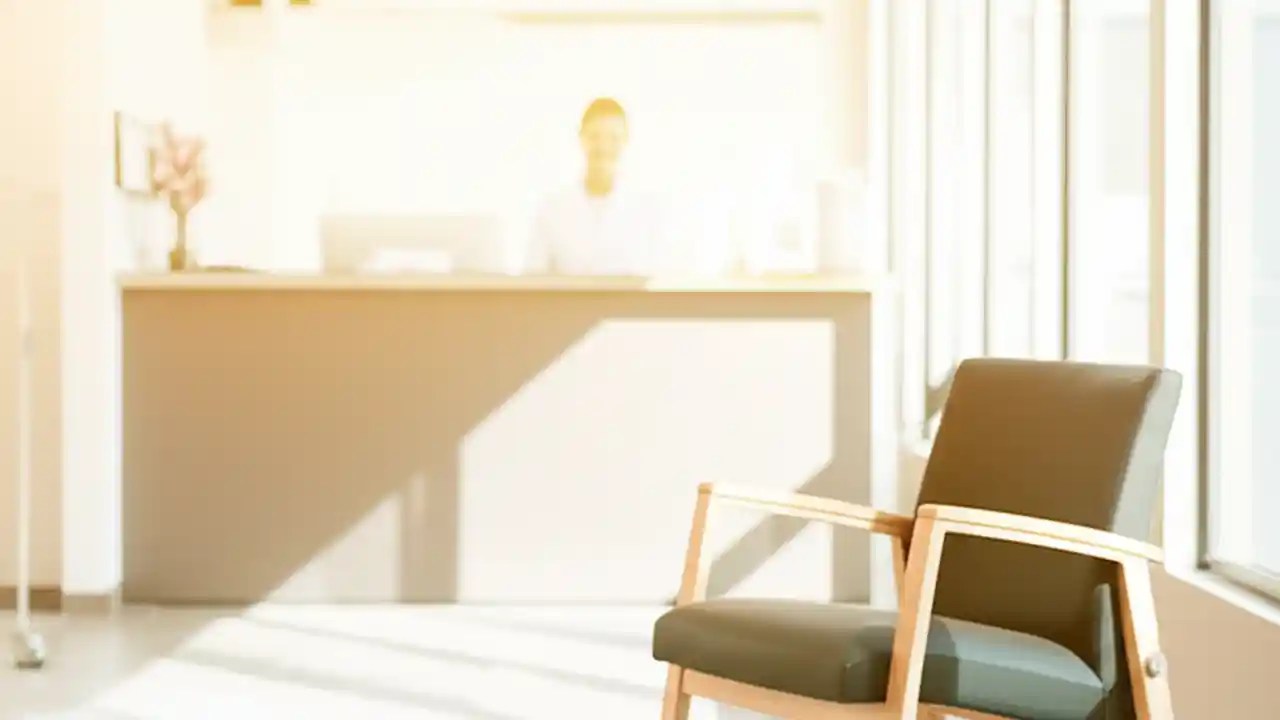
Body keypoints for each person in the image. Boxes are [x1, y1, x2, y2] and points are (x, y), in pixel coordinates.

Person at [525, 98, 666, 275]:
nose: (603, 147)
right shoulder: (551, 209)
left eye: (613, 138)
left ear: (626, 140)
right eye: (595, 136)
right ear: (581, 137)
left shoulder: (649, 211)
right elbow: (531, 283)